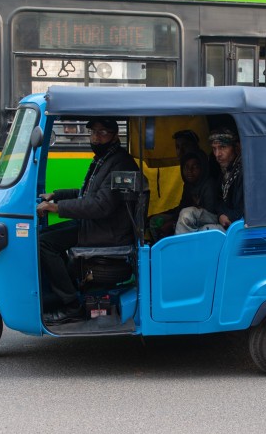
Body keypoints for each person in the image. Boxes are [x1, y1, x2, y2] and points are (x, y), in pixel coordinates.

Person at [36, 117, 139, 324]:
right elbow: (87, 194)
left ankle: (71, 304)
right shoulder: (104, 160)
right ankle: (68, 291)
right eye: (93, 133)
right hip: (97, 226)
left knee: (43, 243)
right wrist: (56, 195)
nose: (96, 138)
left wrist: (57, 208)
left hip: (108, 232)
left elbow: (101, 206)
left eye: (102, 133)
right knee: (41, 237)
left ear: (114, 135)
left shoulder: (121, 163)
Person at [175, 127, 244, 233]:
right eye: (214, 149)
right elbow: (219, 201)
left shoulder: (244, 173)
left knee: (206, 231)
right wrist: (221, 214)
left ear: (237, 148)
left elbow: (245, 211)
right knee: (187, 214)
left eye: (222, 147)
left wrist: (227, 216)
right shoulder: (225, 173)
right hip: (222, 216)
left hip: (237, 225)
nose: (217, 154)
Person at [149, 149, 219, 240]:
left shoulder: (209, 185)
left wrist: (173, 224)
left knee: (186, 214)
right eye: (186, 167)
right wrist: (171, 220)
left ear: (202, 168)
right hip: (186, 219)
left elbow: (209, 213)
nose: (190, 171)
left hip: (208, 221)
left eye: (195, 167)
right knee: (155, 220)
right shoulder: (188, 185)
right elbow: (182, 207)